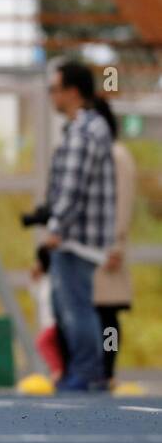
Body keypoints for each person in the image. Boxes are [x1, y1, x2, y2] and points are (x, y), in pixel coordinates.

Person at [42, 60, 116, 392]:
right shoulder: (86, 128)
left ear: (72, 92)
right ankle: (82, 370)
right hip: (82, 235)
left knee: (77, 307)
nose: (51, 96)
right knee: (69, 305)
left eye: (54, 89)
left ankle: (87, 372)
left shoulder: (84, 130)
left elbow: (73, 187)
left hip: (77, 237)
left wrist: (56, 227)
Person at [90, 97, 135, 388]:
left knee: (108, 313)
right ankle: (98, 370)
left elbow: (124, 200)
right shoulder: (99, 154)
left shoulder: (117, 155)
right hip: (92, 249)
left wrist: (116, 244)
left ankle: (108, 372)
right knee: (96, 311)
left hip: (108, 248)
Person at [29, 245, 62, 381]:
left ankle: (57, 371)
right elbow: (38, 296)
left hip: (55, 322)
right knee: (46, 343)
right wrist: (34, 279)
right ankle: (57, 371)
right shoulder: (45, 281)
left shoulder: (56, 280)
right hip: (49, 323)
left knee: (42, 342)